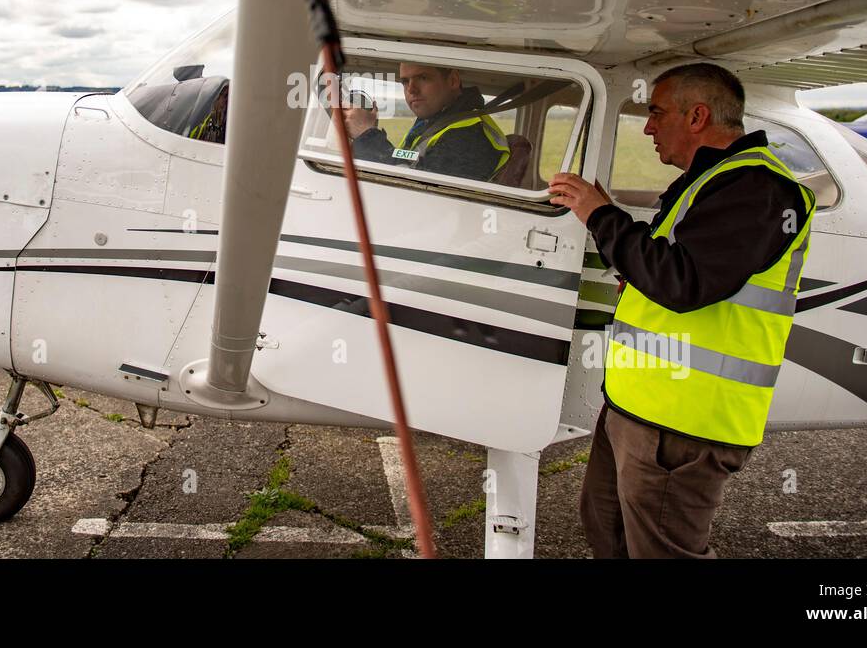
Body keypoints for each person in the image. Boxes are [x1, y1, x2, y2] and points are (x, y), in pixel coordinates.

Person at [548, 63, 816, 559]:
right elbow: (671, 267)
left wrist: (600, 216)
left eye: (655, 112)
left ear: (696, 116)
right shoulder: (711, 181)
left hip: (683, 425)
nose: (647, 127)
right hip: (640, 408)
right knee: (607, 530)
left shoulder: (754, 188)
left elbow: (684, 282)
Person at [341, 63, 510, 182]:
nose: (411, 89)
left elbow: (411, 190)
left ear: (452, 80)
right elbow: (407, 158)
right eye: (405, 81)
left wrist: (366, 134)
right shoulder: (432, 123)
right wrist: (370, 134)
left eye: (422, 77)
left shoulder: (470, 136)